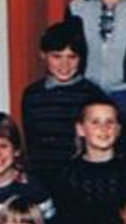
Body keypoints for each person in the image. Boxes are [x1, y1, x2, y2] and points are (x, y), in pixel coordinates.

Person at [20, 21, 110, 189]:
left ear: (81, 58)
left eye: (71, 57)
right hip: (42, 181)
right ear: (43, 55)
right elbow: (31, 144)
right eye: (56, 56)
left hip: (83, 182)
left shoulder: (94, 95)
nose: (64, 65)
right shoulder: (32, 95)